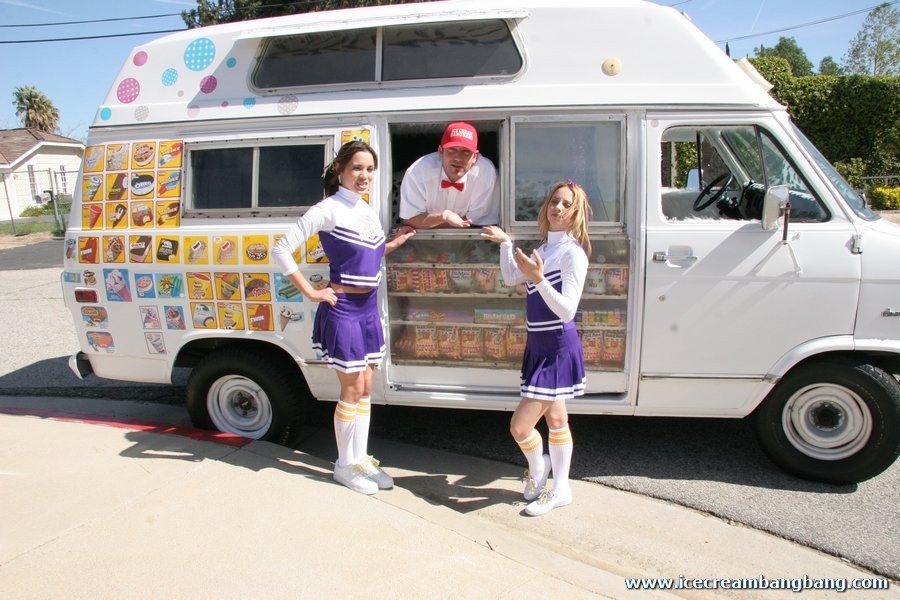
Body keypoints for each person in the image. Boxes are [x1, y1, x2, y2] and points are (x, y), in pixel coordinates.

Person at [272, 140, 415, 495]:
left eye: (369, 169)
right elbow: (281, 249)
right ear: (340, 170)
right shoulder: (329, 208)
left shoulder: (364, 209)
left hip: (368, 312)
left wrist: (394, 244)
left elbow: (369, 252)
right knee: (351, 389)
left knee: (366, 387)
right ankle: (344, 465)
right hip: (345, 311)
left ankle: (360, 458)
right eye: (357, 168)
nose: (364, 175)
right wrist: (311, 291)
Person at [481, 180, 591, 516]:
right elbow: (513, 278)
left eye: (566, 204)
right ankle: (562, 489)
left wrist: (540, 279)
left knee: (520, 426)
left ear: (576, 213)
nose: (557, 208)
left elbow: (568, 310)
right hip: (539, 343)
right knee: (557, 420)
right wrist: (506, 244)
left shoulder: (572, 254)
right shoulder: (545, 250)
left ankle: (540, 468)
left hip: (558, 345)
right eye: (554, 201)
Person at [399, 121, 499, 229]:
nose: (458, 158)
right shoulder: (417, 172)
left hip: (468, 242)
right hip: (419, 243)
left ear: (475, 156)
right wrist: (443, 217)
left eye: (466, 152)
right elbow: (410, 218)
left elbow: (477, 222)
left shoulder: (486, 174)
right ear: (440, 151)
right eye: (452, 150)